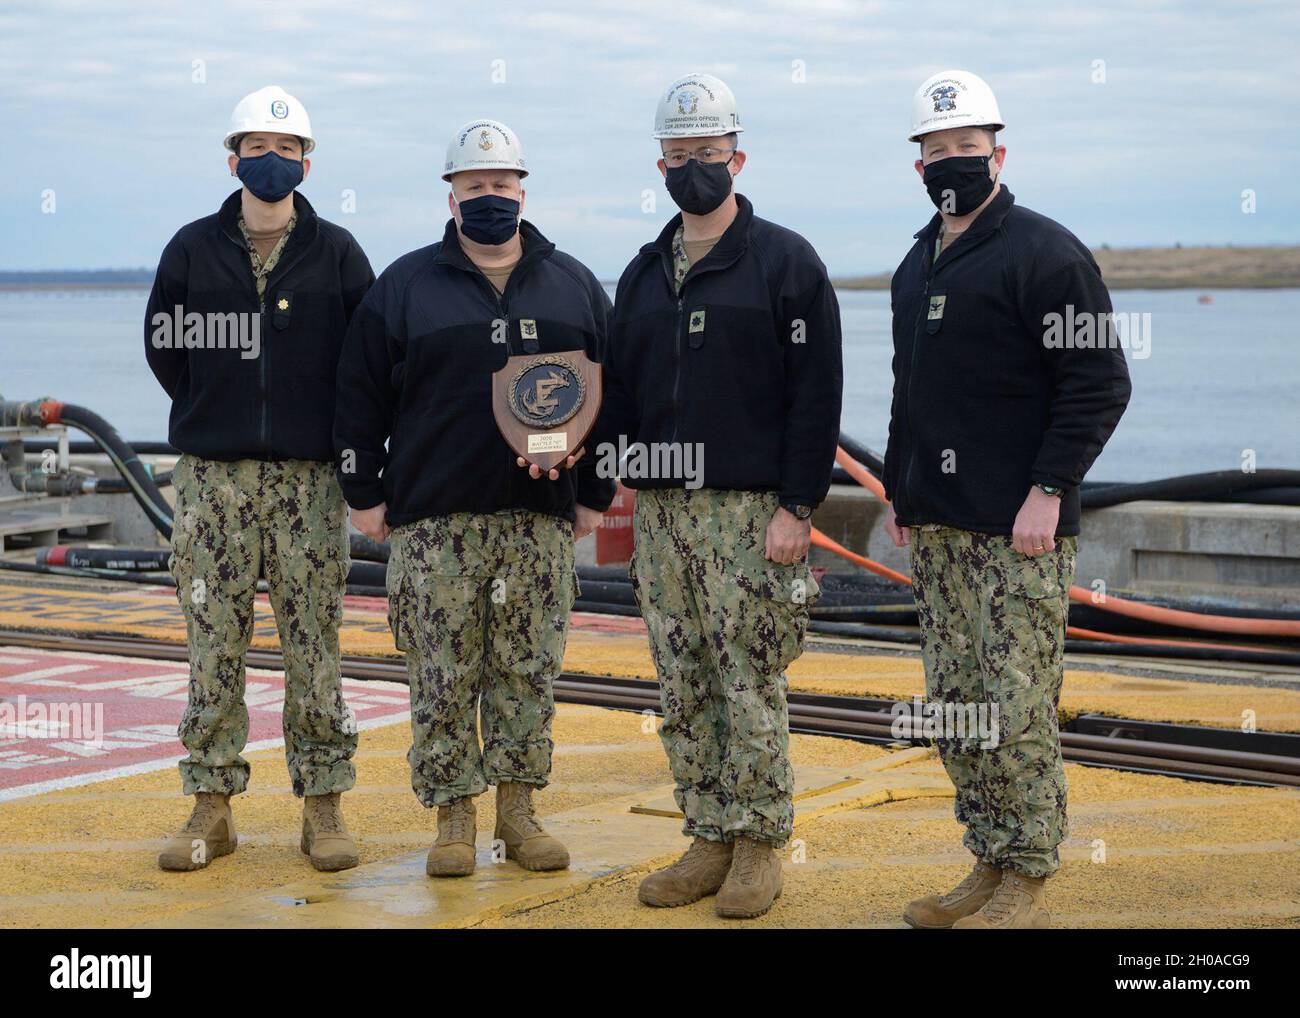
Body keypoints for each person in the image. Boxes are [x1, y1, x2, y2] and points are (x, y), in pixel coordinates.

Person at [589, 74, 843, 918]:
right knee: (683, 684)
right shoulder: (642, 274)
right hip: (663, 515)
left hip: (748, 513)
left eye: (708, 152)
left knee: (748, 681)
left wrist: (796, 509)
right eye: (678, 154)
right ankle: (706, 836)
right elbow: (618, 393)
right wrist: (586, 466)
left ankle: (761, 844)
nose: (693, 166)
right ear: (657, 163)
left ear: (737, 156)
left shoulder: (784, 263)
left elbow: (817, 397)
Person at [885, 70, 1132, 929]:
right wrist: (901, 486)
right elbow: (908, 387)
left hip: (1017, 532)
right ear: (916, 164)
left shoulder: (1046, 252)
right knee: (959, 708)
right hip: (942, 527)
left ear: (998, 152)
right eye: (936, 149)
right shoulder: (917, 263)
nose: (951, 161)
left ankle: (1028, 869)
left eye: (965, 147)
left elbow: (1099, 383)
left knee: (1017, 706)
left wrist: (1049, 488)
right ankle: (987, 859)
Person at [334, 119, 613, 878]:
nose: (489, 197)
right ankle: (453, 820)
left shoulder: (574, 284)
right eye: (474, 186)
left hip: (538, 520)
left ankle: (519, 815)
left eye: (501, 185)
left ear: (523, 190)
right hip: (434, 520)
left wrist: (596, 492)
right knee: (442, 673)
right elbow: (358, 395)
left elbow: (613, 394)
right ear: (451, 195)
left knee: (527, 669)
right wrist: (362, 489)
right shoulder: (406, 286)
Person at [145, 85, 375, 873]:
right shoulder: (190, 249)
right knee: (214, 645)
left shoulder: (339, 254)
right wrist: (222, 412)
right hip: (214, 482)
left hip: (311, 485)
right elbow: (166, 351)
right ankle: (210, 808)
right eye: (255, 146)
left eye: (286, 150)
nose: (270, 161)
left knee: (316, 647)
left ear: (307, 163)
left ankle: (323, 806)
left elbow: (365, 364)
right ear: (232, 156)